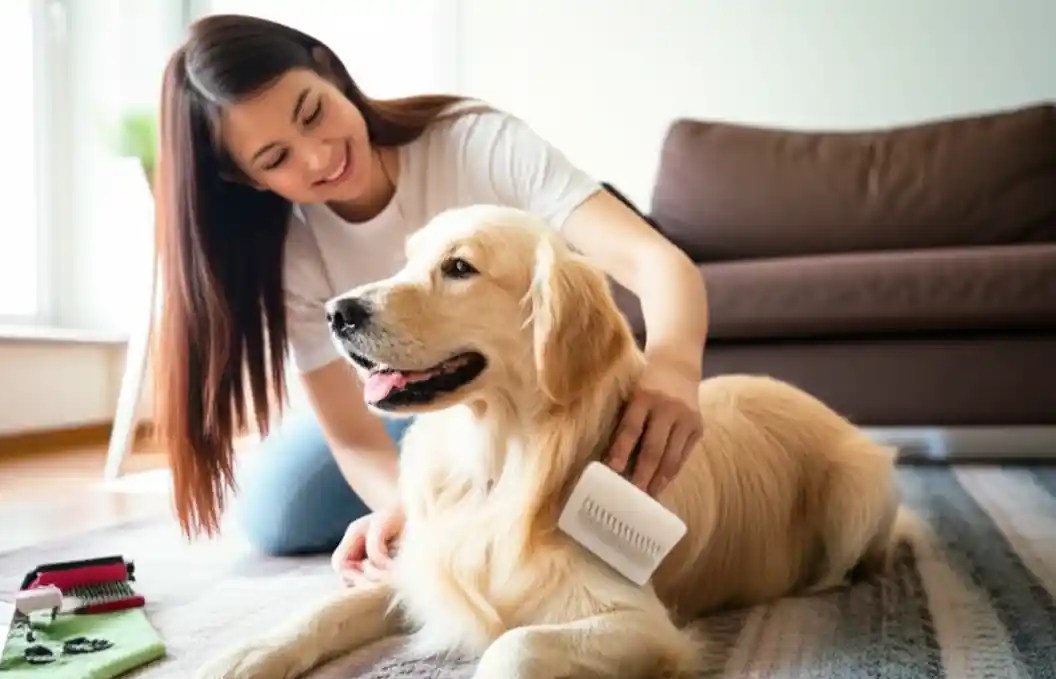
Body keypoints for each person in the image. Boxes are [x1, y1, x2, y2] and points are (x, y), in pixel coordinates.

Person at [153, 14, 709, 587]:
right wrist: (413, 512)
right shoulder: (290, 250)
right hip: (401, 407)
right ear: (248, 181)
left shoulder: (477, 141)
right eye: (276, 159)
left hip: (534, 394)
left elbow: (657, 262)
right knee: (276, 511)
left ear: (329, 71)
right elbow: (351, 435)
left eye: (313, 112)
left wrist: (673, 370)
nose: (318, 157)